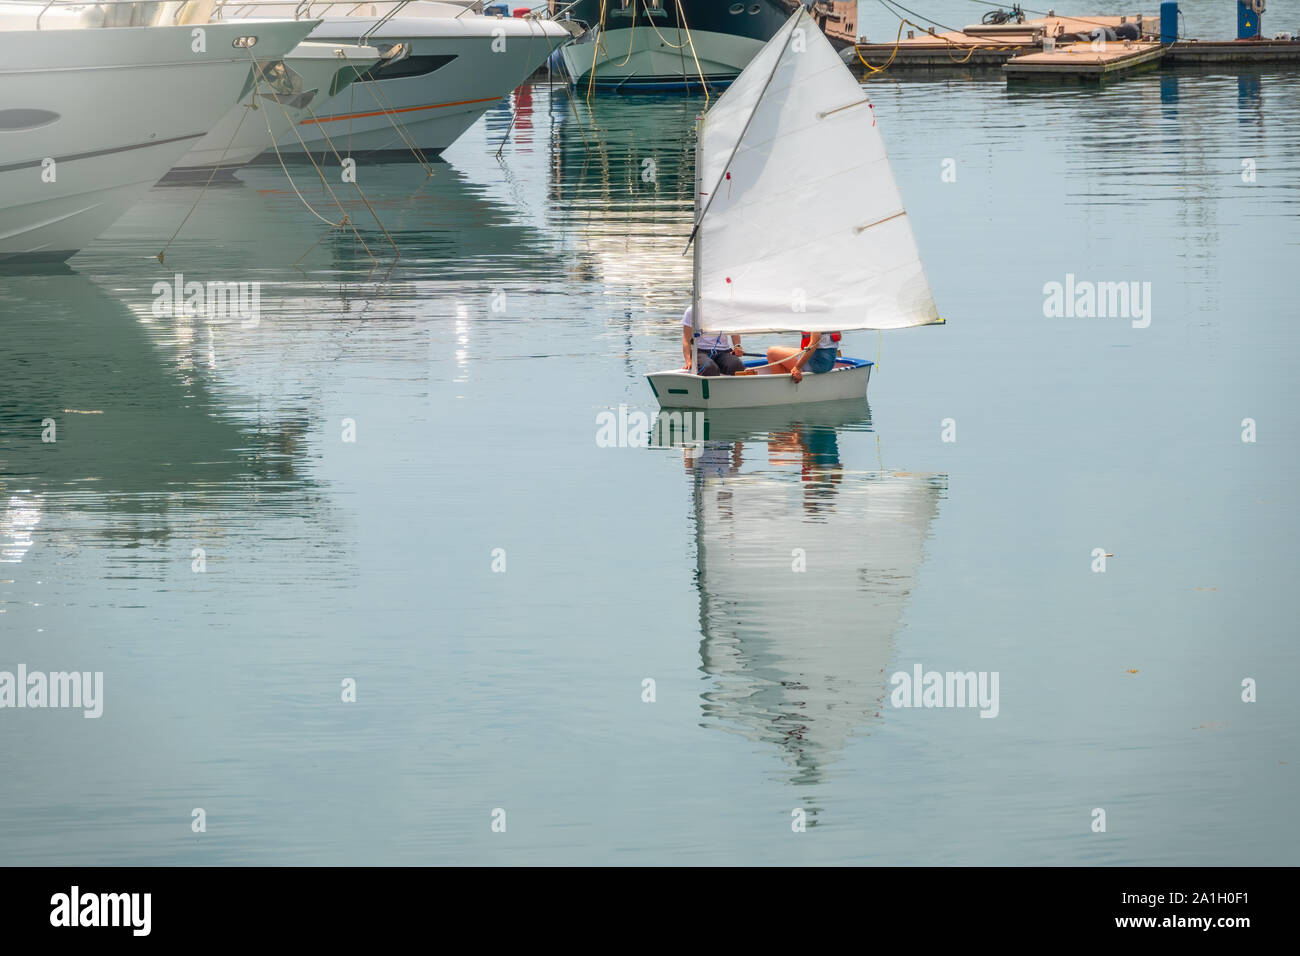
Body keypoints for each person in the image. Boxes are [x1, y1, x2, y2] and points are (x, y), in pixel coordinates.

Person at [681, 304, 744, 376]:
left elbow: (734, 333)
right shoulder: (692, 311)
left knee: (736, 365)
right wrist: (688, 361)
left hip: (723, 351)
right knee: (709, 368)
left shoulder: (727, 310)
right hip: (700, 351)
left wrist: (737, 347)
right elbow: (686, 339)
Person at [766, 331, 840, 382]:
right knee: (781, 349)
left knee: (771, 352)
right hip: (828, 363)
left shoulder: (815, 320)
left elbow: (813, 345)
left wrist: (797, 368)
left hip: (816, 364)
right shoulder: (828, 320)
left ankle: (782, 388)